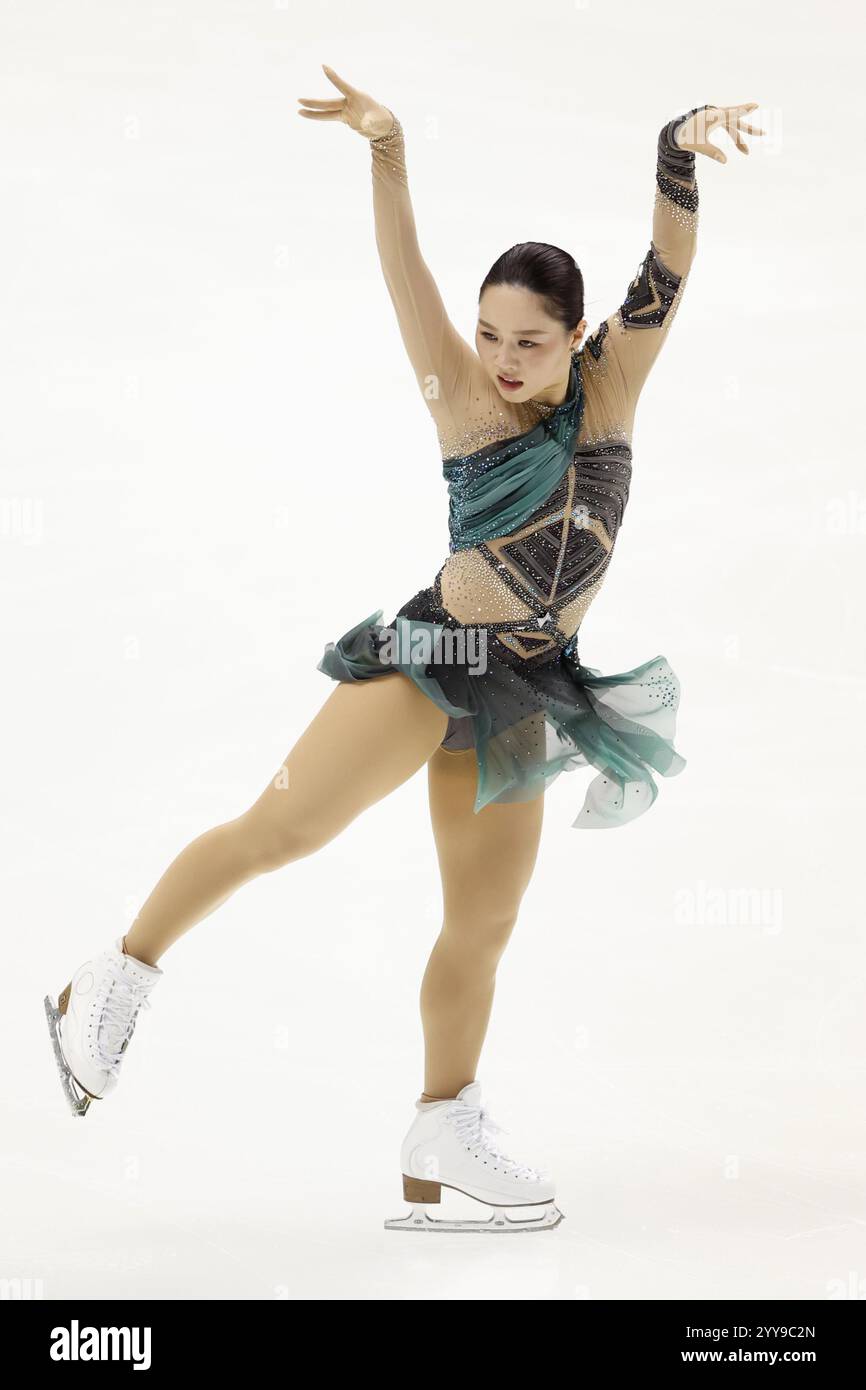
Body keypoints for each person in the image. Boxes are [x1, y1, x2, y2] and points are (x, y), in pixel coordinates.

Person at [44, 68, 761, 1234]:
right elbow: (402, 270)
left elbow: (667, 265)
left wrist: (675, 145)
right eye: (487, 334)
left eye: (528, 338)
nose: (501, 356)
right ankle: (110, 979)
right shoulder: (463, 405)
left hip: (525, 686)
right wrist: (387, 149)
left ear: (575, 335)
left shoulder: (612, 381)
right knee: (278, 830)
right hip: (426, 661)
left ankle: (442, 1126)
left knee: (482, 921)